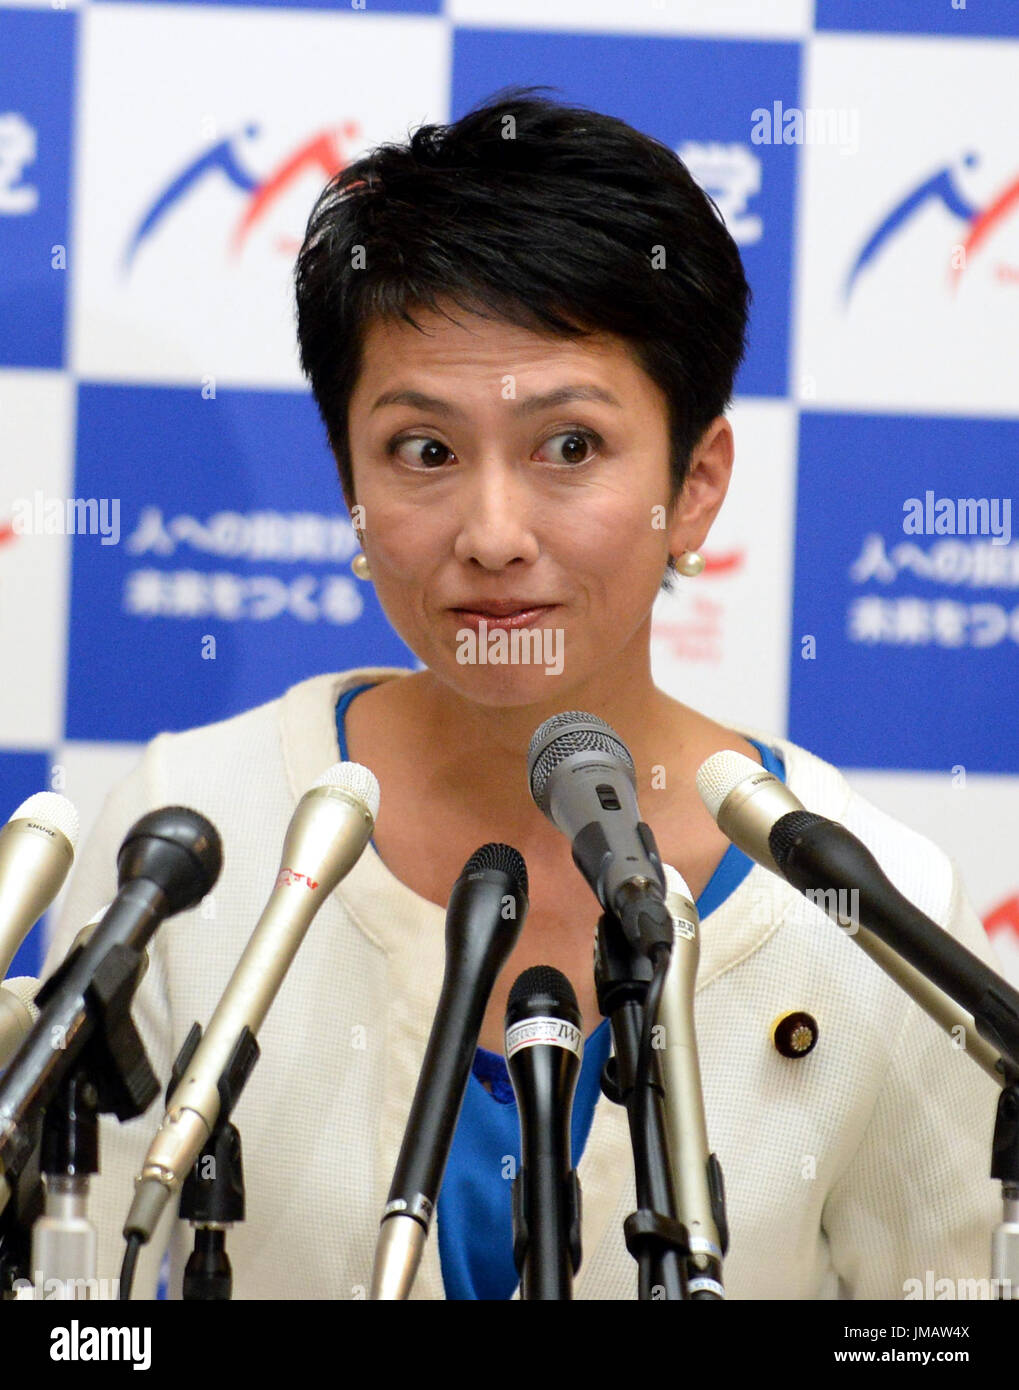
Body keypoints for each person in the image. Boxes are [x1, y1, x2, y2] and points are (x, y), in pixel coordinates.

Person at [43, 89, 1002, 1301]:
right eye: (425, 452)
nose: (491, 535)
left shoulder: (867, 903)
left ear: (694, 483)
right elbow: (80, 1298)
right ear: (349, 478)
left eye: (568, 448)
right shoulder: (197, 830)